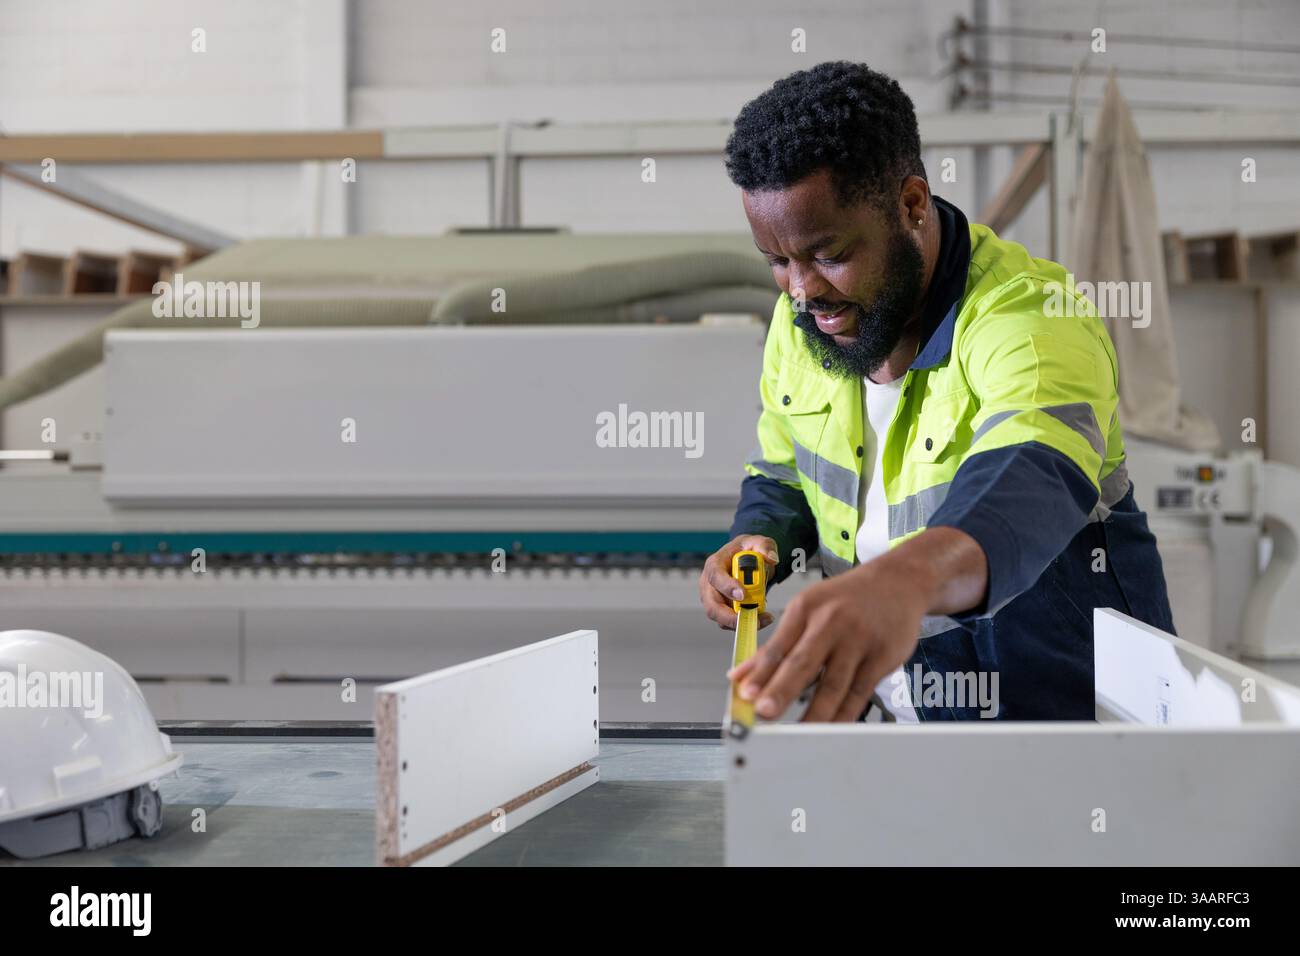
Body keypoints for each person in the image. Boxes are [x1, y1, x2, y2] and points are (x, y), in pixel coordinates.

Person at [697, 61, 1174, 722]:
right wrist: (760, 539)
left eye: (828, 254)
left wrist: (899, 584)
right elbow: (784, 470)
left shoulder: (1030, 318)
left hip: (1066, 725)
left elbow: (1031, 476)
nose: (802, 290)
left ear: (911, 204)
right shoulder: (802, 321)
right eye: (778, 261)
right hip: (908, 716)